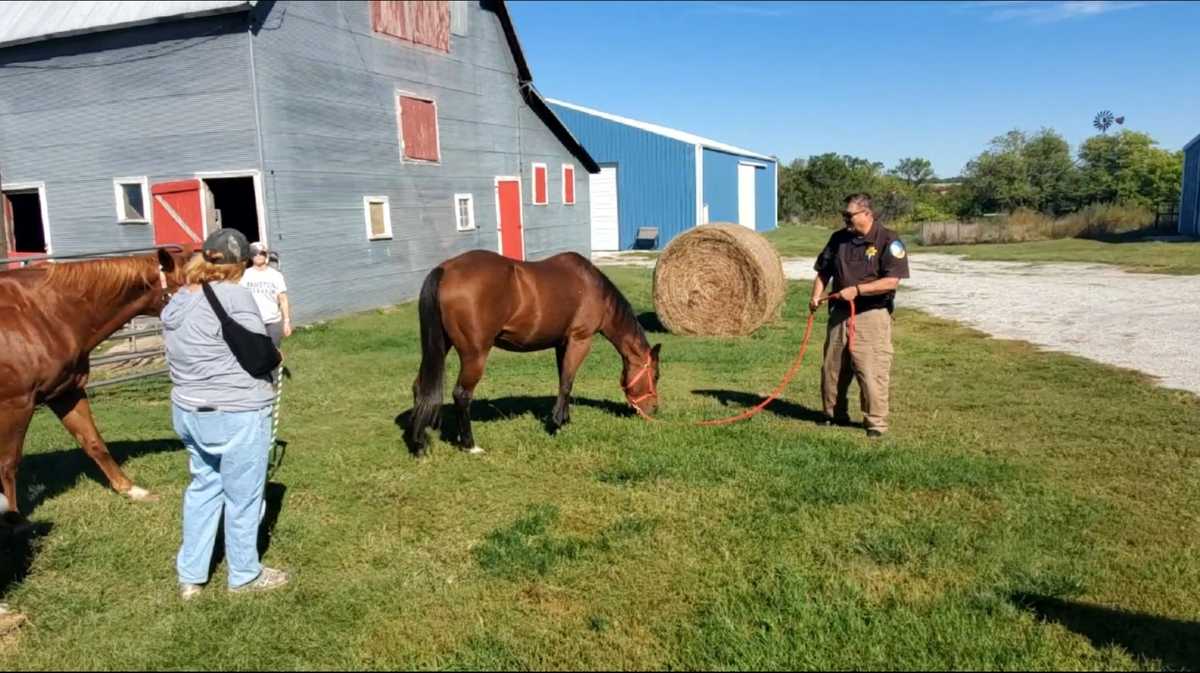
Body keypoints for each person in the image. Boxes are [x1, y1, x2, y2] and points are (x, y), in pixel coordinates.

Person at [162, 228, 289, 599]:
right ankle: (245, 574)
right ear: (240, 265)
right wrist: (277, 357)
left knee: (203, 486)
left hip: (188, 409)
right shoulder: (236, 296)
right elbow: (260, 354)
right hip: (237, 410)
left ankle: (191, 575)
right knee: (244, 496)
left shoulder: (177, 300)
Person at [808, 193, 910, 438]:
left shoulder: (888, 240)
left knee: (871, 370)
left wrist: (858, 290)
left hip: (871, 314)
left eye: (849, 215)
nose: (845, 219)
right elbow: (824, 272)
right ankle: (833, 415)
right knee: (832, 369)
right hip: (839, 315)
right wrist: (815, 296)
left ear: (867, 213)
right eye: (844, 215)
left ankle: (875, 424)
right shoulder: (838, 239)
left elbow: (891, 281)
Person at [240, 242, 292, 348]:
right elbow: (239, 300)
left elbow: (283, 299)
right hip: (252, 323)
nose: (258, 255)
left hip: (273, 322)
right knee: (256, 353)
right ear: (250, 256)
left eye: (261, 253)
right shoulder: (244, 276)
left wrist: (286, 321)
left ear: (266, 254)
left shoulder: (276, 275)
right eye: (254, 253)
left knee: (274, 353)